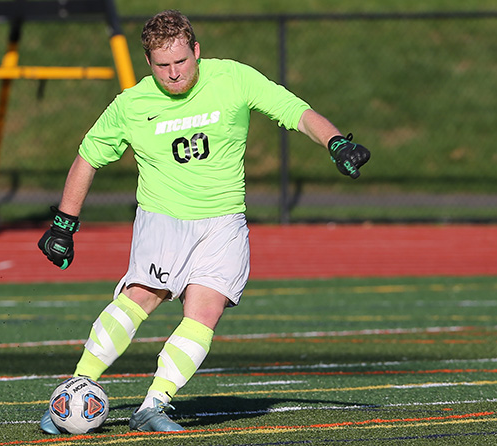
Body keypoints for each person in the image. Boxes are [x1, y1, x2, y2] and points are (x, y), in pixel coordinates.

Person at [37, 10, 370, 433]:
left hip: (223, 223)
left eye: (181, 61)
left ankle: (153, 405)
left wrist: (335, 141)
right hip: (164, 220)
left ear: (197, 51)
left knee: (205, 311)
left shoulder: (233, 78)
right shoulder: (132, 104)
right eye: (163, 66)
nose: (174, 73)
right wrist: (64, 224)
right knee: (141, 297)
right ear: (149, 63)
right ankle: (76, 388)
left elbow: (294, 110)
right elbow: (87, 157)